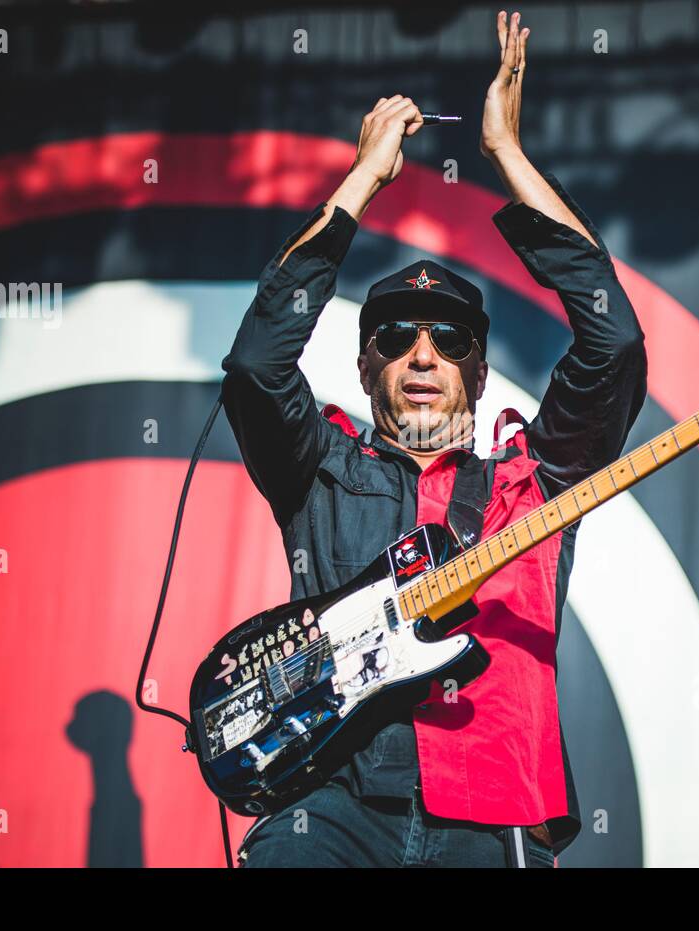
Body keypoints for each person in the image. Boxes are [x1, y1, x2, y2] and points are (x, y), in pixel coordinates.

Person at [222, 10, 646, 867]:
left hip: (493, 818)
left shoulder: (541, 475)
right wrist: (361, 181)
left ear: (480, 374)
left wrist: (508, 155)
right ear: (367, 362)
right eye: (398, 337)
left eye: (451, 340)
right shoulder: (320, 468)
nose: (424, 353)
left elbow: (615, 345)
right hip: (328, 804)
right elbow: (259, 368)